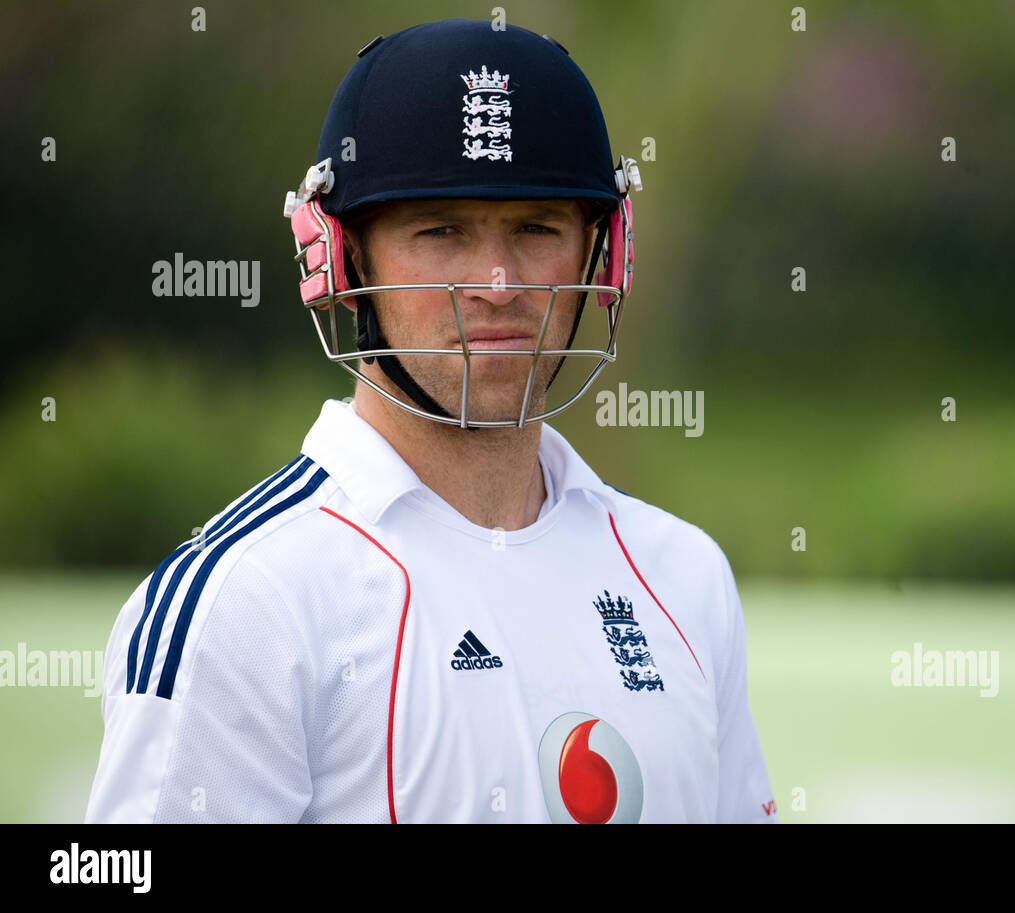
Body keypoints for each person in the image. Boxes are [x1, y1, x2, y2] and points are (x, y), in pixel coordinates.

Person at [86, 18, 777, 823]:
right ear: (339, 260)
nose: (497, 282)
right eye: (441, 230)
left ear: (604, 253)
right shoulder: (242, 604)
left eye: (537, 228)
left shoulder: (684, 577)